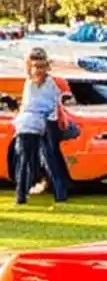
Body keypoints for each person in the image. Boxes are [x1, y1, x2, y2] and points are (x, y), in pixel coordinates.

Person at [12, 47, 71, 205]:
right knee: (31, 160)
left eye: (41, 66)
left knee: (47, 158)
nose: (38, 70)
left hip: (38, 122)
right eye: (35, 66)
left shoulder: (42, 83)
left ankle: (56, 193)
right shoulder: (36, 83)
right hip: (33, 123)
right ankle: (24, 195)